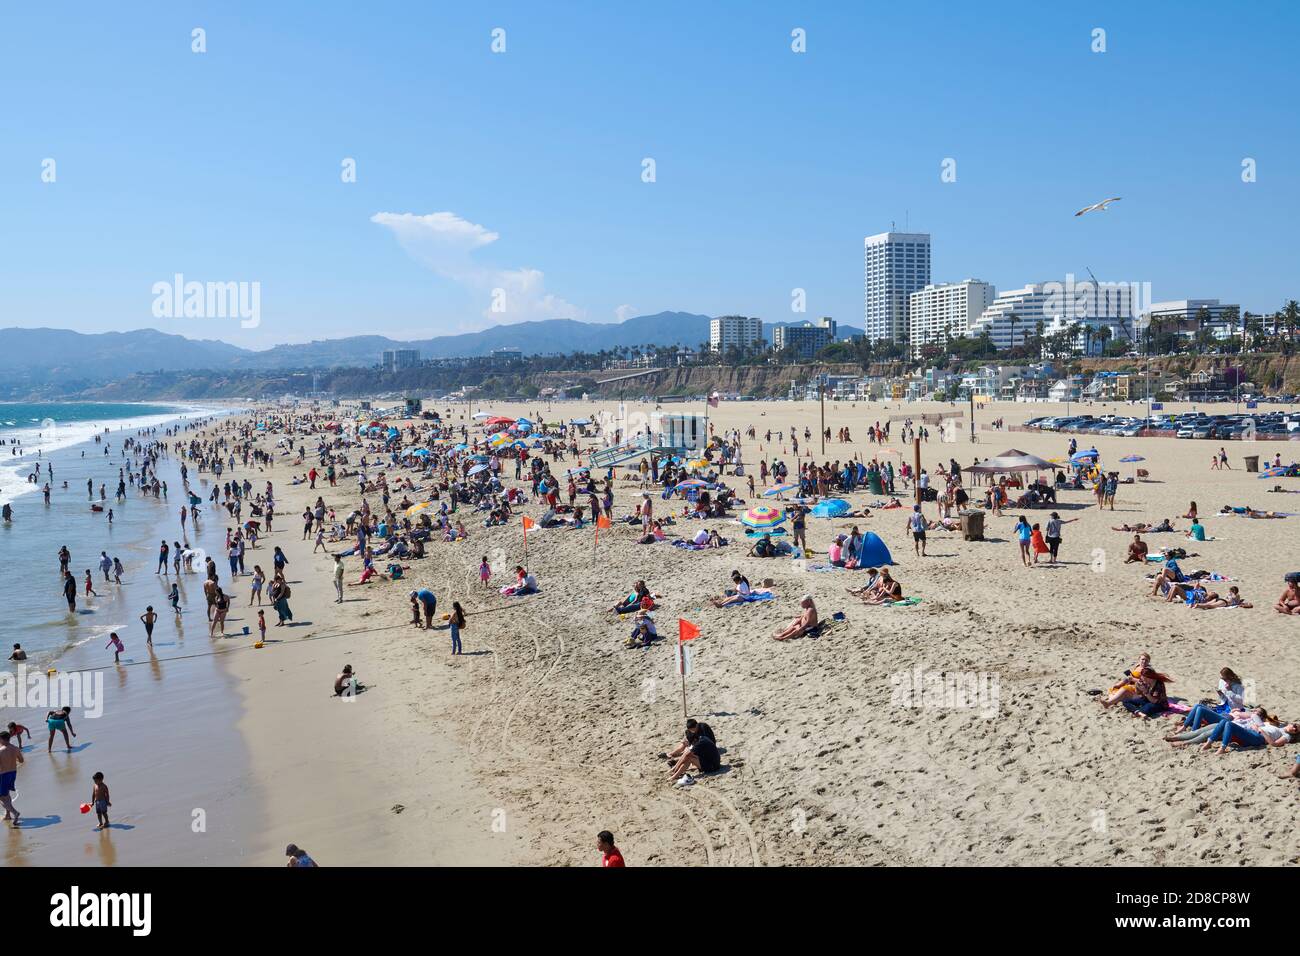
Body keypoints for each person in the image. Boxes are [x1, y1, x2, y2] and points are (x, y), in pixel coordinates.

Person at [0, 730, 23, 827]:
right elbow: (21, 760)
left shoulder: (0, 751)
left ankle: (15, 812)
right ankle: (8, 814)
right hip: (13, 773)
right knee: (6, 794)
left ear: (1, 739)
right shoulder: (16, 748)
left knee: (1, 797)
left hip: (3, 775)